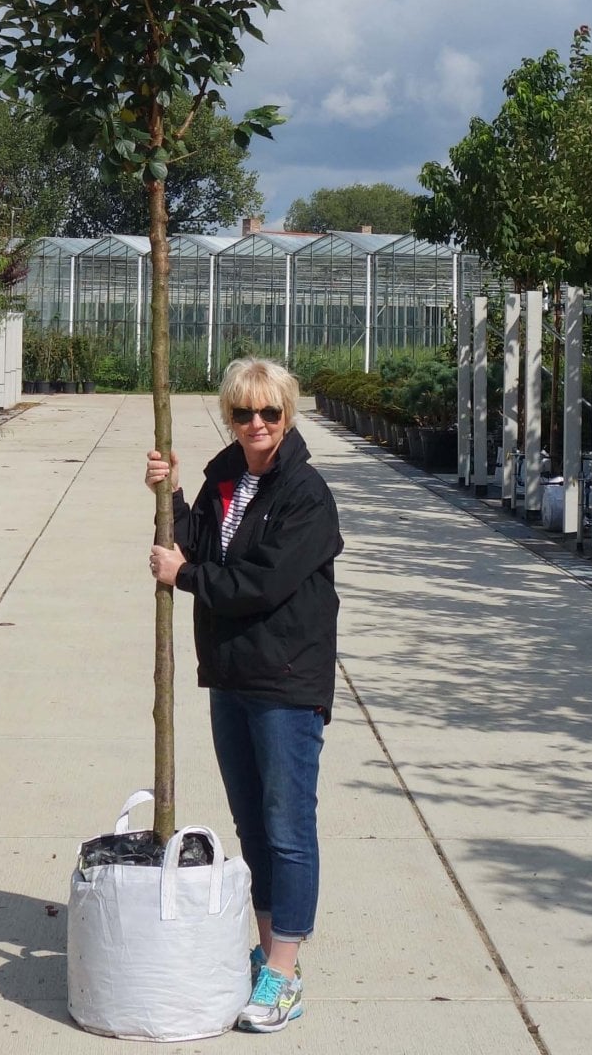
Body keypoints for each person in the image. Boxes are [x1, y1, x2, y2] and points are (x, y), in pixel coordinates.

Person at [146, 356, 342, 1035]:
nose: (256, 425)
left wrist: (186, 577)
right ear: (228, 415)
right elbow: (192, 546)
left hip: (286, 680)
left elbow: (261, 582)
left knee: (288, 827)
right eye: (243, 413)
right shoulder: (224, 479)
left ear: (288, 416)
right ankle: (268, 953)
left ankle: (284, 975)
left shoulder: (306, 495)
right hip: (231, 676)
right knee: (253, 825)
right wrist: (168, 497)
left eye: (270, 413)